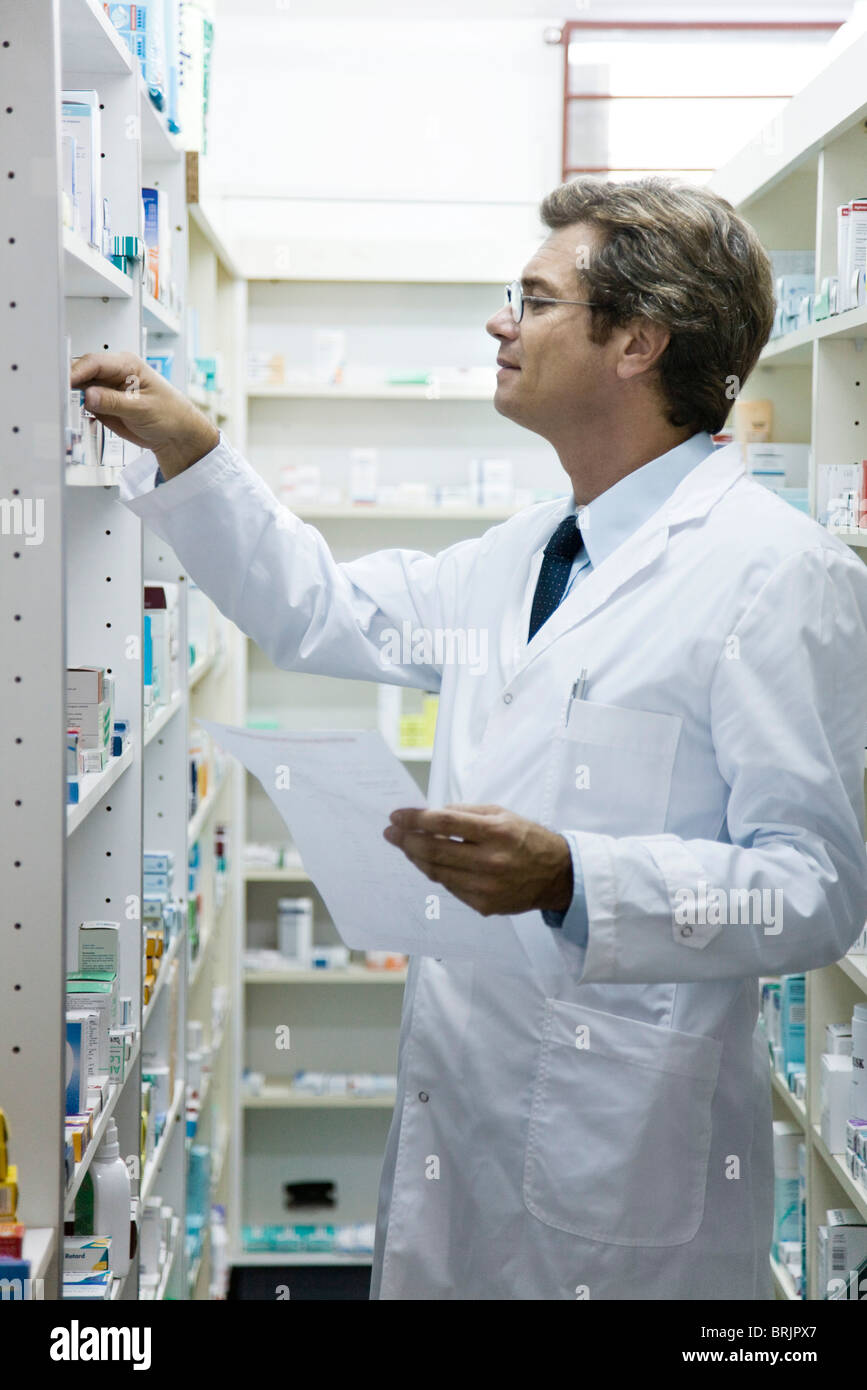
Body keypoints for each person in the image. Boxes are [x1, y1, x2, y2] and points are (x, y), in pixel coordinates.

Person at [71, 177, 867, 1300]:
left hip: (625, 1164)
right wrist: (197, 453)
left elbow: (816, 887)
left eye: (533, 300)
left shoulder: (777, 575)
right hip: (471, 1111)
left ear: (637, 340)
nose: (502, 321)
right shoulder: (533, 548)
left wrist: (576, 875)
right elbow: (324, 610)